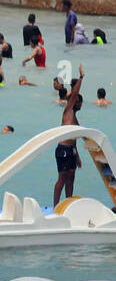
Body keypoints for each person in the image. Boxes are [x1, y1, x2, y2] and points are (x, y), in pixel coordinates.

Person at [55, 64, 84, 205]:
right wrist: (81, 77)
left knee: (71, 178)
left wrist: (77, 156)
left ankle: (68, 204)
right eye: (78, 102)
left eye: (80, 103)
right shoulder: (68, 111)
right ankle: (55, 206)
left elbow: (74, 139)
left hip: (71, 150)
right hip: (63, 150)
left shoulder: (75, 119)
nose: (80, 105)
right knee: (62, 178)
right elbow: (75, 93)